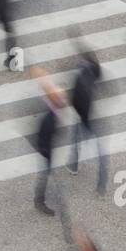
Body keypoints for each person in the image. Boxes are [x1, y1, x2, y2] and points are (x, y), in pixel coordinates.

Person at [66, 43, 106, 193]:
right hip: (91, 113)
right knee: (100, 149)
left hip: (84, 115)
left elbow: (74, 99)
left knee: (75, 138)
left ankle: (74, 165)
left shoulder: (80, 78)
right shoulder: (94, 69)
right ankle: (101, 183)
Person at [31, 69, 64, 216]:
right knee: (45, 174)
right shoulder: (49, 118)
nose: (63, 100)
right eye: (61, 98)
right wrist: (45, 152)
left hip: (48, 148)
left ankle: (41, 198)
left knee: (46, 173)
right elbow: (42, 137)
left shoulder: (53, 111)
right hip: (46, 149)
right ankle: (39, 201)